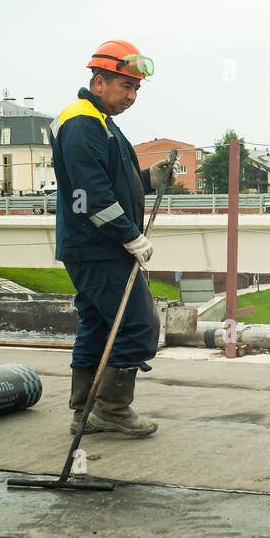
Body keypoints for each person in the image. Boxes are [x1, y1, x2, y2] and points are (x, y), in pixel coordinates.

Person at [51, 39, 174, 437]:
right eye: (126, 86)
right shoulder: (82, 124)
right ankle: (111, 409)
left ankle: (84, 410)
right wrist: (131, 237)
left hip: (94, 247)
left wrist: (147, 179)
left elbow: (112, 184)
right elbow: (91, 197)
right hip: (99, 249)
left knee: (99, 325)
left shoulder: (99, 122)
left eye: (137, 88)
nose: (132, 96)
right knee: (140, 325)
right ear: (99, 82)